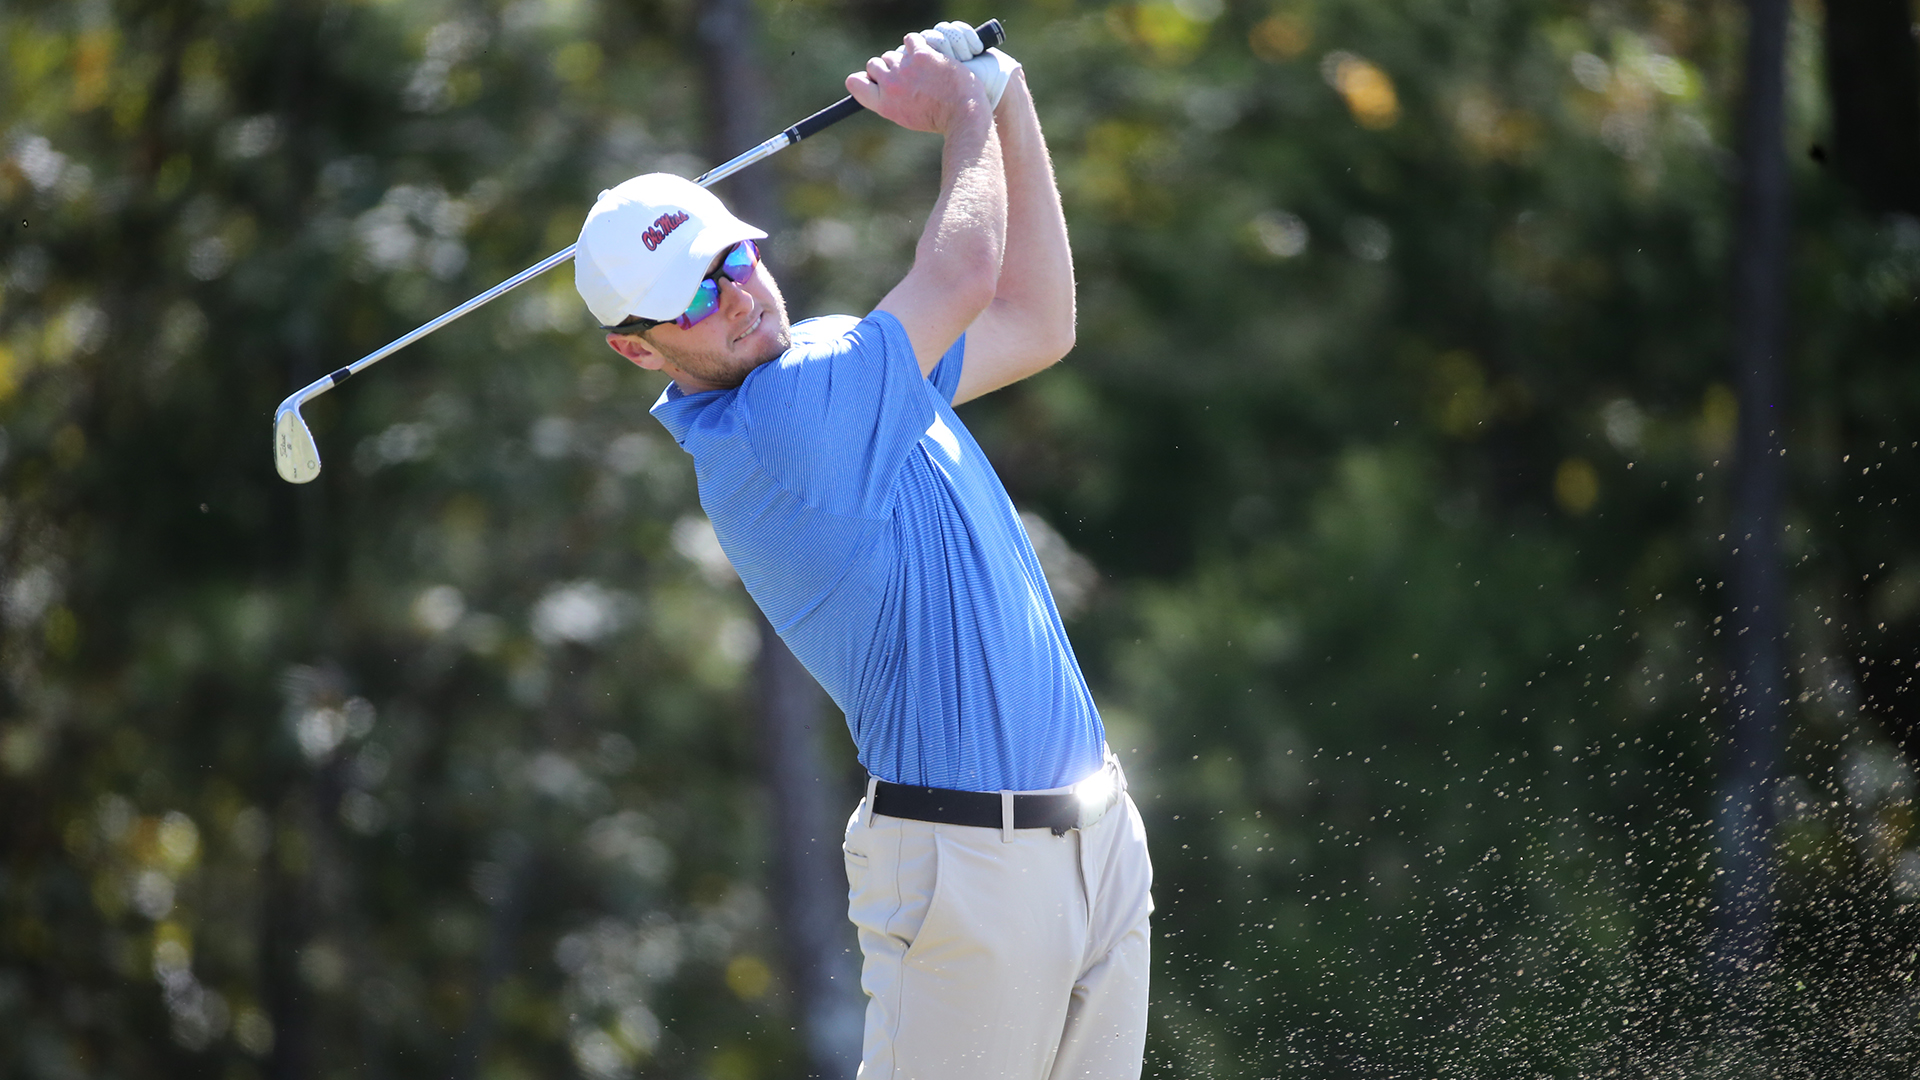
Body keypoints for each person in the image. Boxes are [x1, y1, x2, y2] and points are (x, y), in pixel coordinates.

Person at [572, 23, 1153, 1080]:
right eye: (696, 296)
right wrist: (961, 111)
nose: (740, 297)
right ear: (636, 347)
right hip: (968, 867)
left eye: (733, 258)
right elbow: (967, 270)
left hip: (1094, 837)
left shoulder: (836, 361)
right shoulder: (784, 419)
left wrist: (1008, 94)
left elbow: (1038, 319)